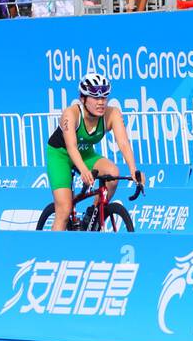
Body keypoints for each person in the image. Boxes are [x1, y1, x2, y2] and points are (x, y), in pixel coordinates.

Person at [44, 74, 143, 231]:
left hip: (85, 153)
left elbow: (123, 143)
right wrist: (83, 170)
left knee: (112, 173)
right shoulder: (70, 114)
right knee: (64, 209)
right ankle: (55, 253)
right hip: (61, 154)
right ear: (83, 99)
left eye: (104, 97)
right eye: (95, 98)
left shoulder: (112, 114)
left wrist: (133, 170)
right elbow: (71, 147)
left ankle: (93, 213)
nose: (101, 102)